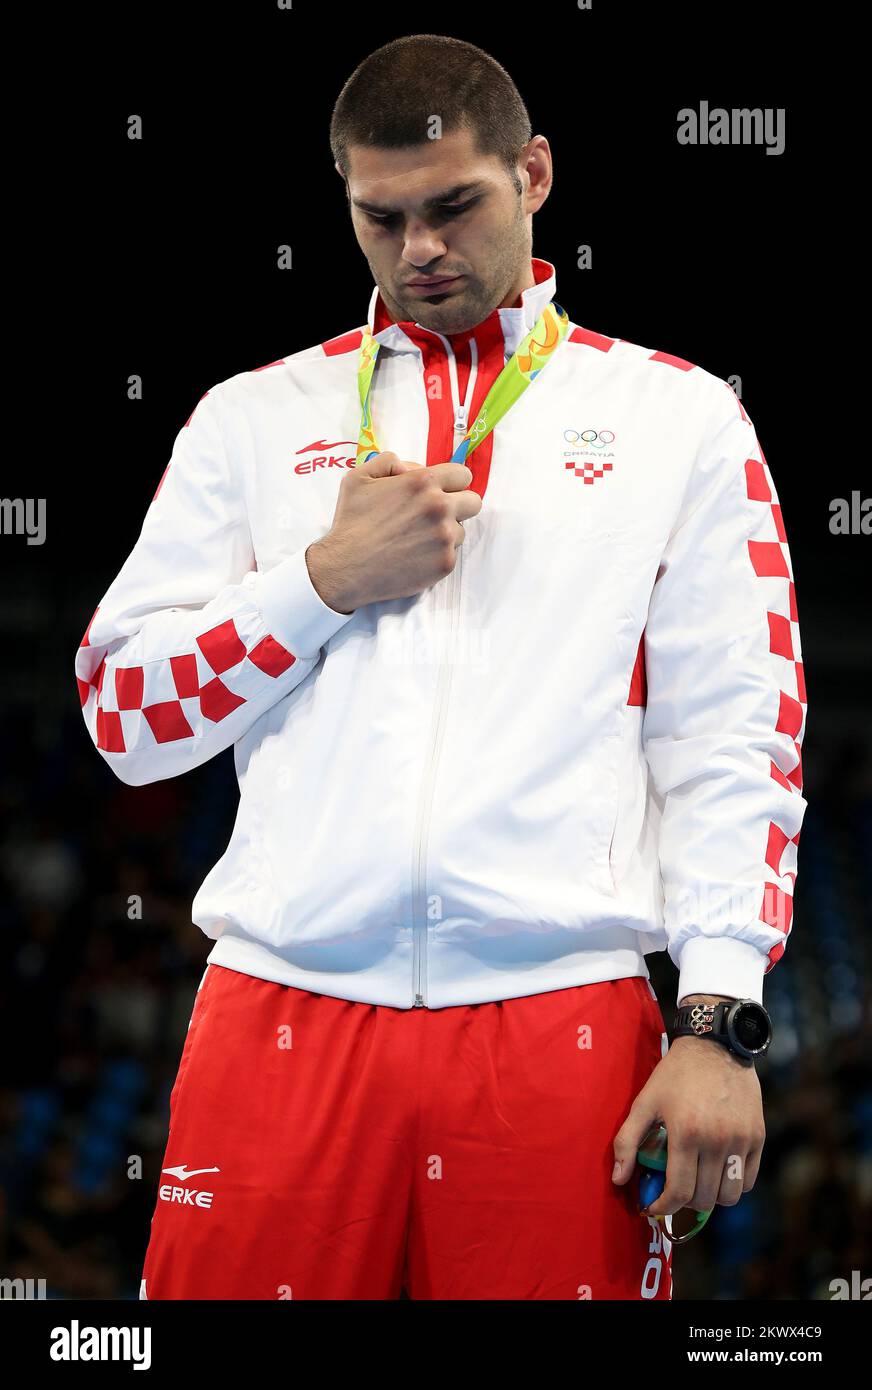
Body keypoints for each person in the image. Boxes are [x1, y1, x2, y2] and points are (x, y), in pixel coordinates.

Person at [74, 34, 808, 1300]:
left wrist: (714, 1020)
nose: (419, 248)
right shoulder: (250, 418)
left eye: (454, 205)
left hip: (558, 1017)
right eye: (380, 218)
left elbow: (733, 734)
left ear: (532, 173)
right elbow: (126, 719)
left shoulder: (676, 416)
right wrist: (319, 583)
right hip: (279, 1010)